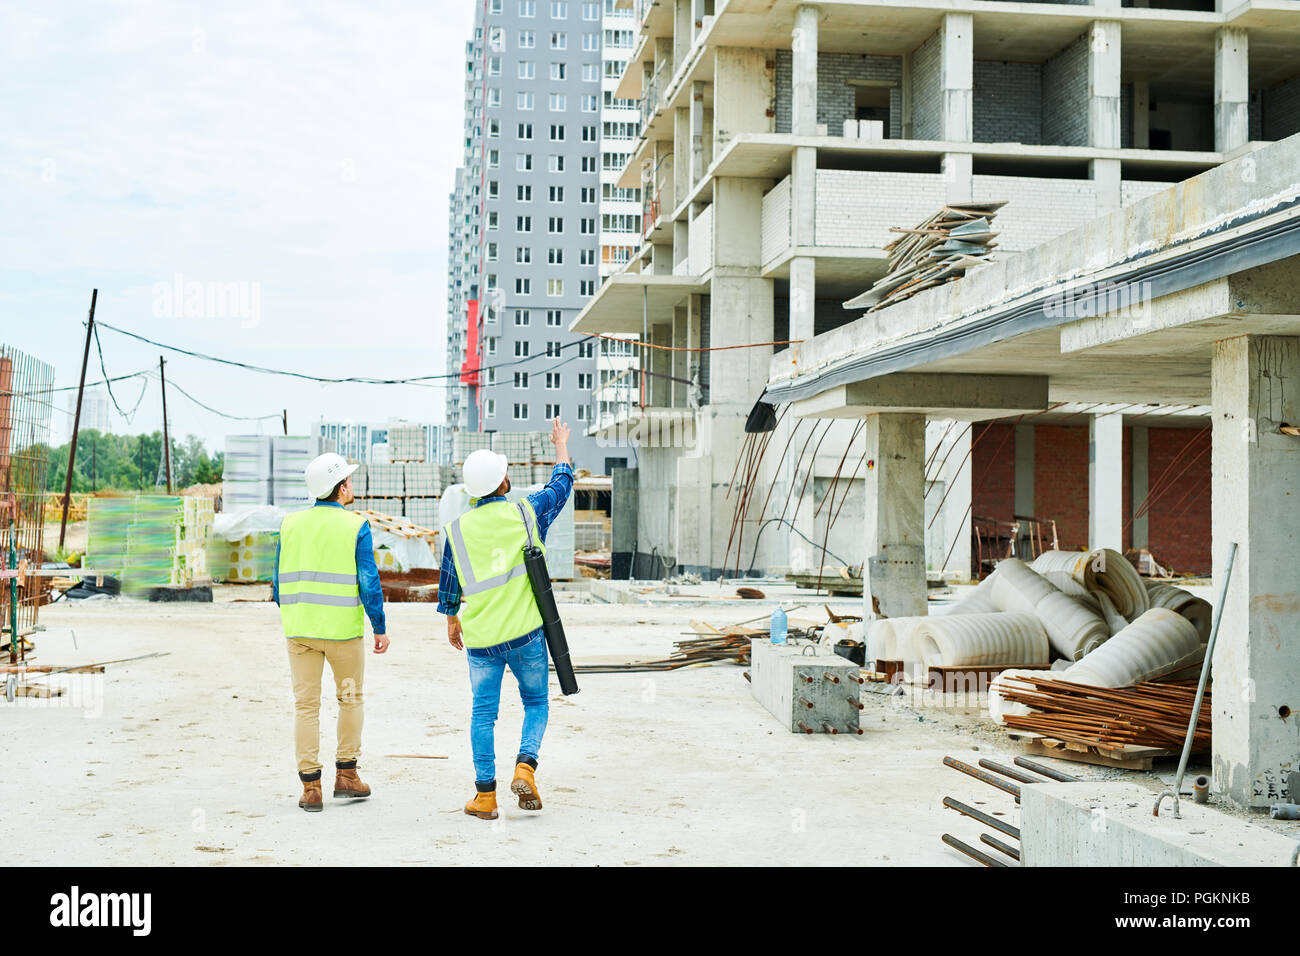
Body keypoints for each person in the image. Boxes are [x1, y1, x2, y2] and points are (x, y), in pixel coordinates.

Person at [438, 418, 573, 820]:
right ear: (502, 482)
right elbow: (561, 488)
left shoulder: (457, 531)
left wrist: (451, 621)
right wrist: (560, 446)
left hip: (481, 640)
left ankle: (484, 797)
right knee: (535, 702)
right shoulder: (525, 514)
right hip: (527, 634)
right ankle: (525, 767)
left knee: (483, 714)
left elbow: (448, 590)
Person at [274, 452, 389, 813]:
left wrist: (297, 613)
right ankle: (347, 776)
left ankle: (311, 789)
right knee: (350, 700)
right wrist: (379, 626)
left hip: (300, 634)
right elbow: (369, 582)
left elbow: (277, 583)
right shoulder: (356, 525)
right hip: (343, 635)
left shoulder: (290, 524)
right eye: (349, 480)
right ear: (340, 487)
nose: (352, 485)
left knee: (305, 706)